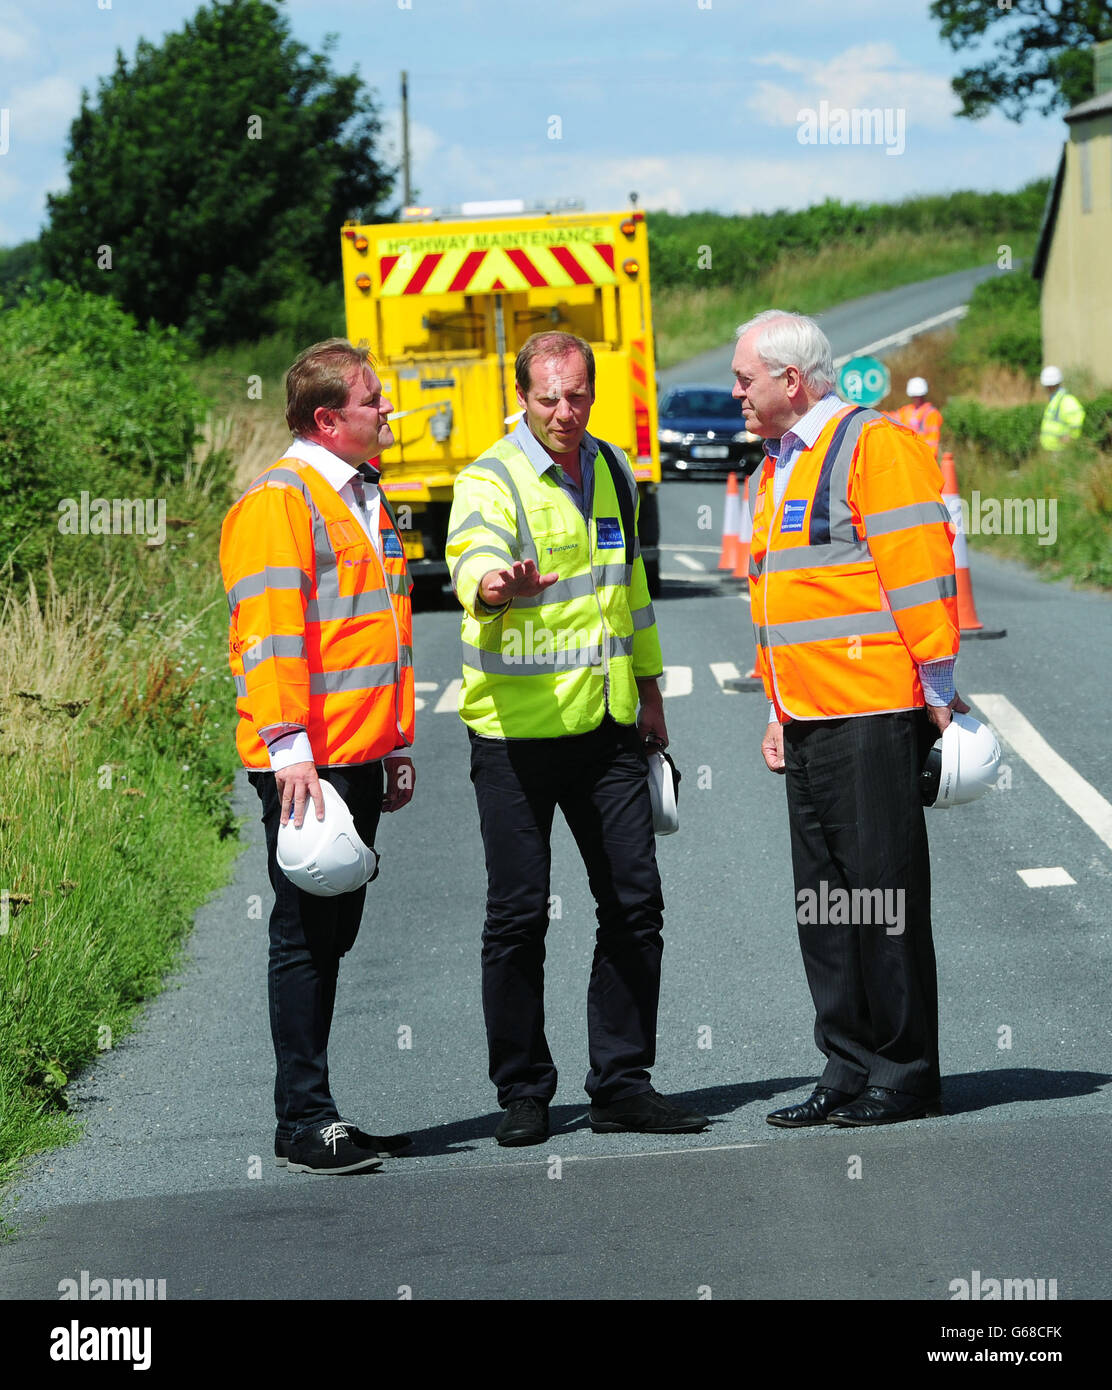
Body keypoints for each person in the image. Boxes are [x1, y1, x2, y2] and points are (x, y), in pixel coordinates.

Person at [445, 329, 708, 1146]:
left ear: (594, 393)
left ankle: (622, 1083)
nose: (564, 411)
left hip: (609, 726)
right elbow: (472, 560)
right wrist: (494, 587)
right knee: (519, 918)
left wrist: (654, 693)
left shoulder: (615, 471)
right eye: (547, 397)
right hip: (517, 737)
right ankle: (524, 1091)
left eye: (578, 395)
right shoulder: (490, 478)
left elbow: (630, 596)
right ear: (519, 398)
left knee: (635, 905)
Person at [731, 311, 963, 1129]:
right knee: (827, 904)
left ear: (790, 381)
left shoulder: (877, 446)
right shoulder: (776, 468)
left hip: (871, 711)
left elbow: (918, 565)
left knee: (884, 897)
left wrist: (936, 685)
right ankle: (847, 1064)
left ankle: (906, 1072)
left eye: (744, 379)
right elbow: (781, 600)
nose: (737, 394)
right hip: (806, 712)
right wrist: (773, 705)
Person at [219, 338, 416, 1174]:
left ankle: (316, 1109)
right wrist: (289, 748)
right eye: (374, 401)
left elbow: (383, 637)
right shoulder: (280, 502)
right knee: (304, 933)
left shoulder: (364, 496)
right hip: (306, 762)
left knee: (334, 931)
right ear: (328, 418)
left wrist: (396, 744)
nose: (387, 412)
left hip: (358, 752)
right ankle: (303, 1119)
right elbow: (266, 635)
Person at [894, 376, 942, 458]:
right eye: (915, 396)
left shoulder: (931, 413)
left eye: (919, 396)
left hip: (923, 457)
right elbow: (890, 418)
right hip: (908, 457)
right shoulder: (906, 411)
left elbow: (932, 441)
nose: (917, 399)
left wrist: (930, 459)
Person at [1039, 365, 1085, 451]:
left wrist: (1071, 437)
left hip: (1061, 451)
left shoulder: (1067, 400)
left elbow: (1077, 422)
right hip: (1052, 450)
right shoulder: (1055, 400)